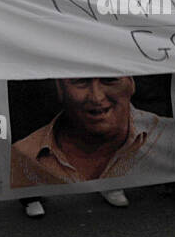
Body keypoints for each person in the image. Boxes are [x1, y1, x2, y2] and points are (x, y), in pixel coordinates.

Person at [10, 76, 165, 188]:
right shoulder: (24, 153)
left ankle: (111, 187)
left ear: (131, 83)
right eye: (81, 81)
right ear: (60, 88)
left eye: (109, 79)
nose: (96, 97)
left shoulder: (166, 137)